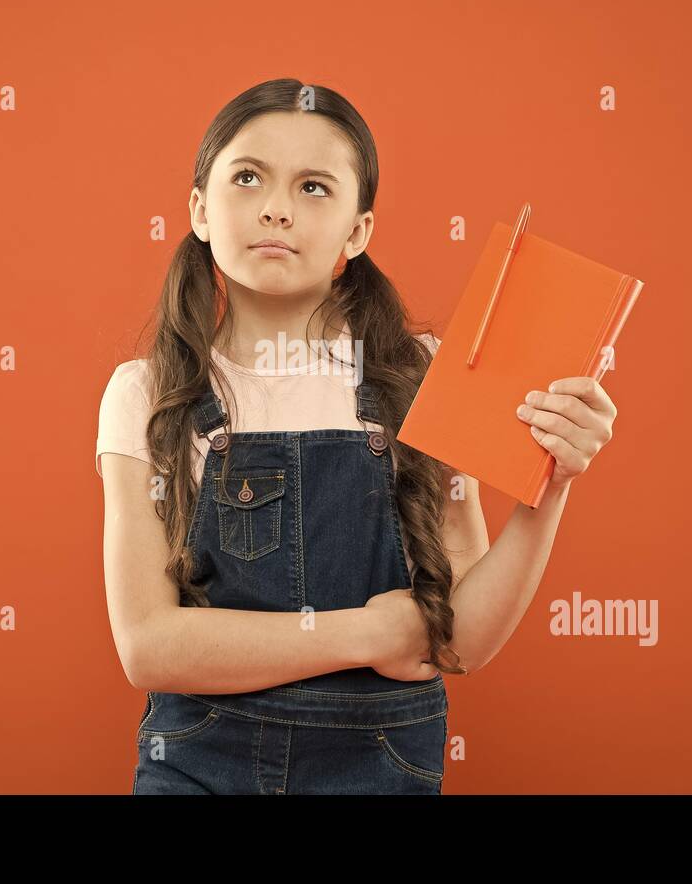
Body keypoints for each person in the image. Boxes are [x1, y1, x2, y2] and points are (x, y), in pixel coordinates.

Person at [96, 78, 618, 794]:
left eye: (314, 187)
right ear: (200, 210)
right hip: (197, 769)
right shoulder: (149, 392)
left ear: (358, 231)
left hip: (379, 771)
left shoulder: (421, 376)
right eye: (247, 177)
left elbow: (459, 637)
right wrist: (367, 635)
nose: (276, 207)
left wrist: (549, 486)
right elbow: (149, 646)